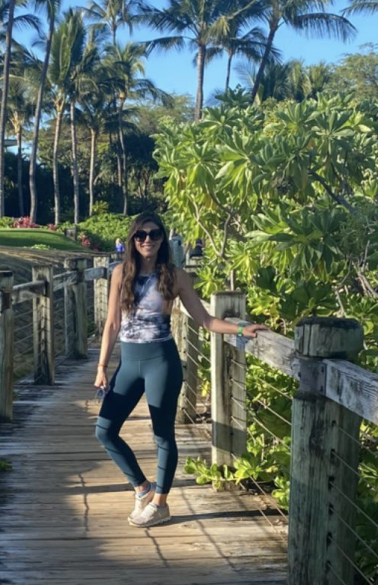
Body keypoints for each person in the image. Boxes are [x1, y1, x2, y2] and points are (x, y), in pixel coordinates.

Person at [94, 212, 265, 529]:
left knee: (163, 435)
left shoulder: (175, 276)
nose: (148, 240)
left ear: (163, 239)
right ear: (132, 239)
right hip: (129, 362)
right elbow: (112, 323)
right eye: (141, 235)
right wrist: (102, 366)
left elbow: (206, 320)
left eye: (155, 234)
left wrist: (241, 330)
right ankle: (143, 488)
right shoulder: (120, 274)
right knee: (104, 429)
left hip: (162, 361)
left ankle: (160, 503)